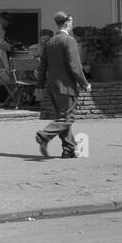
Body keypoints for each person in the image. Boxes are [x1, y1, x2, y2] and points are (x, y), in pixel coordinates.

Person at [35, 11, 90, 157]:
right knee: (68, 118)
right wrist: (84, 83)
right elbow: (75, 67)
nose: (72, 25)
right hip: (66, 86)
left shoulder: (50, 42)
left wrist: (40, 85)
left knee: (63, 117)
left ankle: (68, 149)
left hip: (52, 86)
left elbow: (43, 66)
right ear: (66, 23)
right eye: (71, 22)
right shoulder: (69, 41)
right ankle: (44, 134)